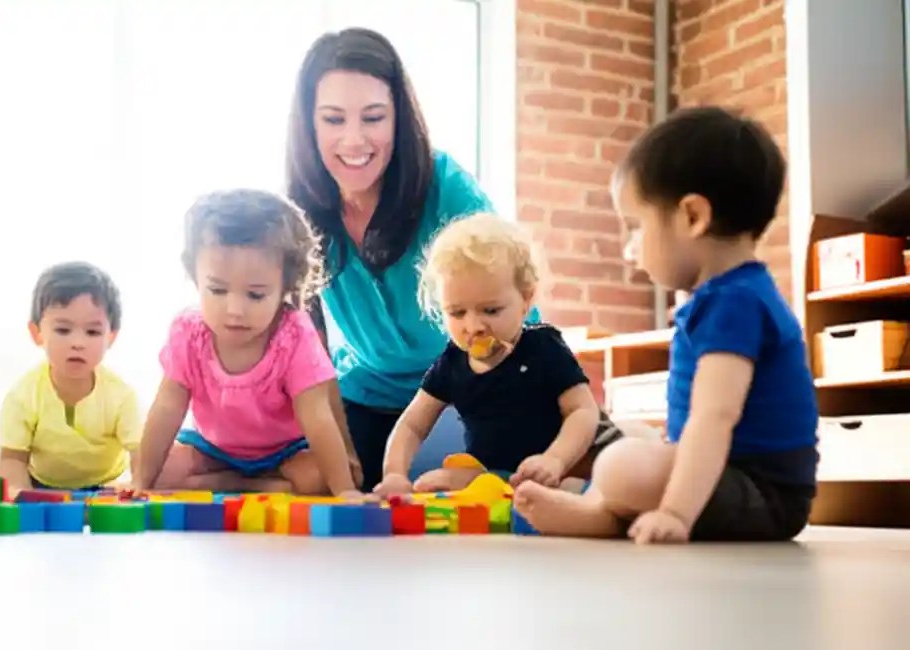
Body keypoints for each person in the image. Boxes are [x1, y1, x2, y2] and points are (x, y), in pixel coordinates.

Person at [514, 106, 819, 544]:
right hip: (740, 480)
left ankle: (602, 512)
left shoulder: (734, 303)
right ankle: (603, 512)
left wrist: (676, 513)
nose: (629, 250)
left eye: (636, 227)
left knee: (621, 466)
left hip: (763, 495)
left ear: (693, 217)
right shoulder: (732, 296)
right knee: (633, 436)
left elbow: (715, 417)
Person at [286, 27, 538, 491]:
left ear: (398, 119)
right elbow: (308, 345)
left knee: (476, 486)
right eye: (334, 119)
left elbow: (513, 299)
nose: (355, 140)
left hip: (466, 386)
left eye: (374, 118)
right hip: (368, 395)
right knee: (327, 484)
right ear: (310, 123)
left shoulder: (444, 186)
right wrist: (333, 438)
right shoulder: (302, 208)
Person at [373, 213, 621, 497]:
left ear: (525, 301)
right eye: (457, 312)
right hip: (505, 473)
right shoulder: (452, 363)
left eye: (490, 310)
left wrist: (555, 460)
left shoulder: (543, 347)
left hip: (582, 461)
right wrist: (394, 474)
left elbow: (582, 411)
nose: (474, 327)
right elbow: (412, 424)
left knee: (591, 485)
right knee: (442, 481)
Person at [134, 189, 361, 498]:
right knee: (156, 467)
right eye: (217, 290)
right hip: (213, 451)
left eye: (255, 295)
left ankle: (233, 486)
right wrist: (140, 484)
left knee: (318, 476)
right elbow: (166, 407)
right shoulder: (189, 332)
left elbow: (317, 416)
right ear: (196, 277)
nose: (234, 310)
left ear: (286, 288)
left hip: (284, 454)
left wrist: (345, 490)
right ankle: (255, 487)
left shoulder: (293, 334)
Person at [0, 262, 141, 496]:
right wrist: (21, 495)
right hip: (41, 486)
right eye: (63, 330)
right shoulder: (23, 395)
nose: (78, 343)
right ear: (37, 334)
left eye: (92, 332)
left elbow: (141, 452)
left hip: (108, 486)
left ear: (111, 338)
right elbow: (13, 459)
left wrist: (138, 485)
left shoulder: (121, 396)